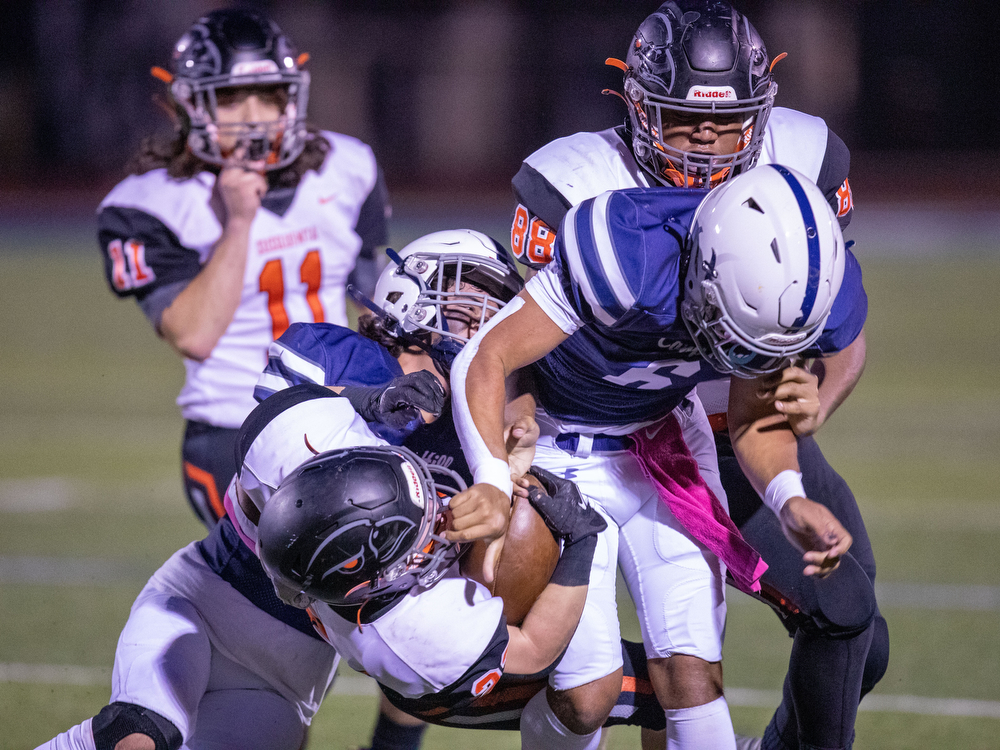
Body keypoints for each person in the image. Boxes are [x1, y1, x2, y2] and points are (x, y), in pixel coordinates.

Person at [507, 3, 887, 749]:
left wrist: (815, 399)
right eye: (683, 117)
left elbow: (838, 325)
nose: (707, 137)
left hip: (747, 431)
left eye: (728, 119)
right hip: (621, 439)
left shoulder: (805, 160)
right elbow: (514, 346)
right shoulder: (579, 186)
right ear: (639, 106)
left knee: (857, 640)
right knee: (670, 666)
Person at [451, 166, 868, 750]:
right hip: (555, 448)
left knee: (693, 673)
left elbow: (750, 416)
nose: (739, 355)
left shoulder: (781, 289)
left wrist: (789, 498)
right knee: (585, 695)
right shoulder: (631, 253)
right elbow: (486, 355)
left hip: (662, 447)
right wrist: (494, 478)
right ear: (707, 272)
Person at [96, 8, 390, 529]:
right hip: (235, 431)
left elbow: (377, 306)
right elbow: (194, 334)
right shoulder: (149, 203)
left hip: (338, 410)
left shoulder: (347, 167)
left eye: (268, 95)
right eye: (231, 98)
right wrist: (238, 225)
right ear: (190, 106)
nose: (254, 117)